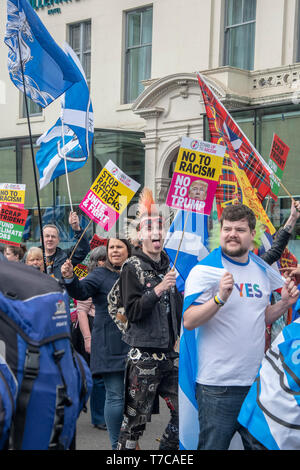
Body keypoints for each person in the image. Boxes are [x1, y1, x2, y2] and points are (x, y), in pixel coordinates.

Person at [182, 203, 299, 450]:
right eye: (227, 228)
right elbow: (189, 320)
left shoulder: (261, 270)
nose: (232, 233)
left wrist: (285, 304)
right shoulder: (205, 270)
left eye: (240, 229)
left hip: (257, 383)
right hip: (217, 386)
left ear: (252, 234)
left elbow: (261, 317)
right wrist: (219, 299)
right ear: (220, 231)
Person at [116, 188, 183, 451]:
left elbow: (175, 309)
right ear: (140, 235)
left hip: (169, 356)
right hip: (143, 358)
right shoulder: (131, 267)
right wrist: (158, 290)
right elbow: (131, 311)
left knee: (186, 411)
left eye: (160, 227)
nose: (156, 233)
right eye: (149, 228)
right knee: (133, 426)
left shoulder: (169, 265)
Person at [61, 238, 131, 450]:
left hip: (135, 344)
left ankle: (130, 443)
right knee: (116, 396)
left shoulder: (135, 272)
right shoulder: (100, 274)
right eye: (111, 248)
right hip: (109, 344)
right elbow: (79, 292)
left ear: (129, 251)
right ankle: (116, 447)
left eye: (119, 247)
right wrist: (69, 277)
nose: (115, 251)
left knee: (135, 401)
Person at [74, 246, 107, 431]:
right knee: (97, 375)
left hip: (111, 329)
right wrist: (88, 338)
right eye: (103, 258)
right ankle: (98, 416)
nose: (107, 260)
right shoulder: (88, 281)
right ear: (97, 262)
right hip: (93, 327)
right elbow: (82, 312)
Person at [41, 211, 90, 279]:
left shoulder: (66, 256)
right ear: (41, 239)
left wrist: (77, 229)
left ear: (58, 240)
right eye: (47, 236)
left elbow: (83, 250)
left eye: (53, 236)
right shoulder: (31, 256)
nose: (50, 239)